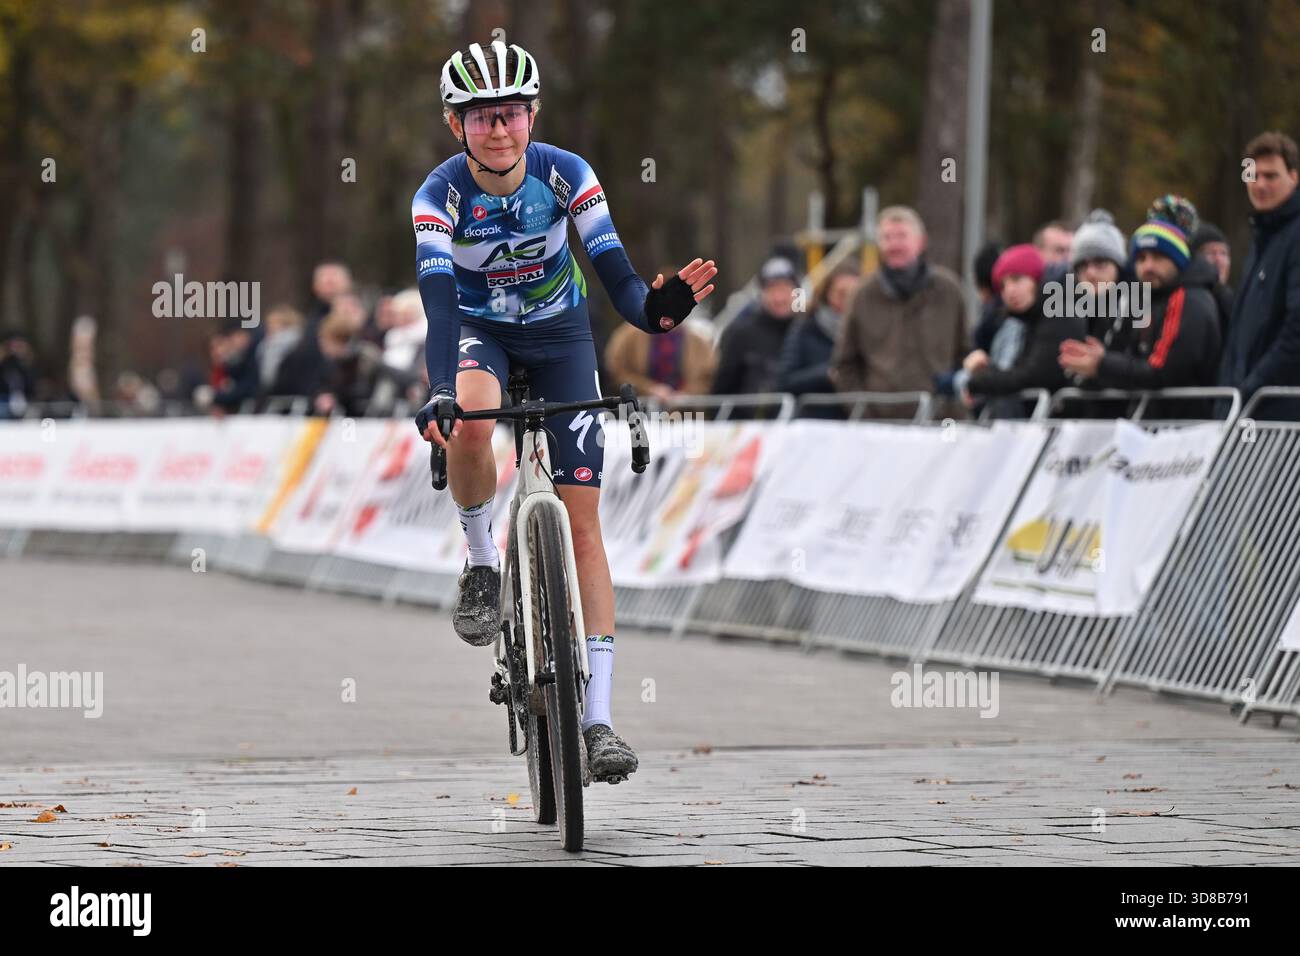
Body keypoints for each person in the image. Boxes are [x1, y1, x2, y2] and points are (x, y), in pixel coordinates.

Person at [410, 41, 716, 779]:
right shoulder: (437, 197)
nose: (498, 130)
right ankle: (484, 563)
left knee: (582, 525)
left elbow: (615, 272)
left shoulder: (567, 173)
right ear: (456, 125)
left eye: (510, 114)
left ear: (532, 114)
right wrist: (442, 389)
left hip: (559, 335)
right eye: (481, 117)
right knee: (474, 418)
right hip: (480, 332)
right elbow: (441, 304)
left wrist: (658, 313)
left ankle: (600, 721)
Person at [1059, 197, 1221, 400]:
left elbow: (1161, 371)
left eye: (1158, 257)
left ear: (1178, 261)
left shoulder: (1187, 298)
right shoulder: (1150, 298)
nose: (1148, 267)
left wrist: (1102, 363)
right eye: (1141, 258)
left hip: (1182, 425)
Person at [830, 206, 967, 418]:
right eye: (887, 237)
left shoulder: (949, 290)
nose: (894, 245)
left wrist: (952, 402)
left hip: (939, 421)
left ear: (921, 242)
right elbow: (845, 363)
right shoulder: (862, 295)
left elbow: (965, 353)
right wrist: (864, 412)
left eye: (902, 236)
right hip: (881, 427)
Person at [1218, 131, 1300, 419]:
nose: (1260, 184)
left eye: (1271, 176)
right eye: (1253, 175)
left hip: (1280, 417)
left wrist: (1251, 387)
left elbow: (1296, 329)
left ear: (1294, 176)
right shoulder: (1261, 238)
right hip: (1249, 412)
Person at [954, 244, 1083, 417]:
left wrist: (978, 382)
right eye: (1003, 285)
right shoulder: (1031, 319)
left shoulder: (1060, 313)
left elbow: (1036, 376)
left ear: (1037, 279)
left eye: (1016, 279)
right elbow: (1024, 372)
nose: (1009, 291)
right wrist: (987, 371)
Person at [710, 255, 798, 397]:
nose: (779, 298)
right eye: (772, 290)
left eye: (784, 289)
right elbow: (722, 386)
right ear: (762, 293)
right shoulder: (740, 334)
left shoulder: (807, 329)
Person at [778, 262, 860, 402]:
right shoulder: (805, 327)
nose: (848, 301)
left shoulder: (870, 327)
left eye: (854, 294)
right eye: (841, 294)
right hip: (818, 417)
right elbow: (785, 380)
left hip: (862, 414)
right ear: (827, 293)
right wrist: (825, 374)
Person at [1191, 222, 1234, 338]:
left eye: (1223, 253)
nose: (1218, 260)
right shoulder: (1188, 299)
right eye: (1210, 253)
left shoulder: (1233, 302)